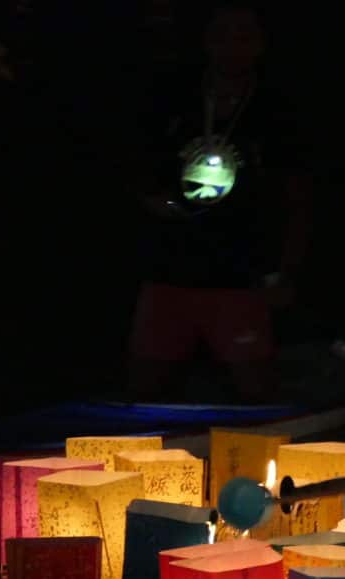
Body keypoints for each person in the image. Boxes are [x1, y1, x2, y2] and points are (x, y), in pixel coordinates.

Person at [128, 0, 311, 403]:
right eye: (221, 35)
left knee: (256, 393)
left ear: (261, 43)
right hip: (168, 269)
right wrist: (152, 199)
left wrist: (287, 272)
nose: (232, 46)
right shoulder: (174, 97)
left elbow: (296, 197)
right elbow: (137, 165)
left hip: (239, 274)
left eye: (244, 36)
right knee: (144, 392)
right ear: (206, 41)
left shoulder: (275, 108)